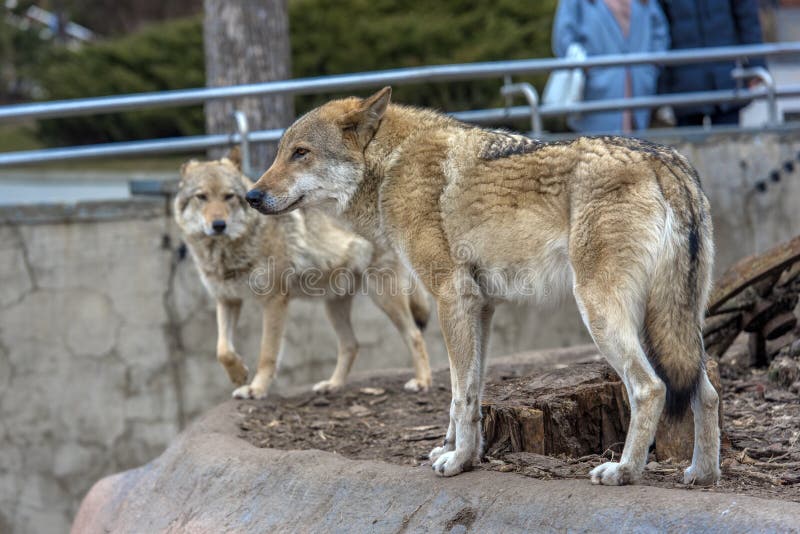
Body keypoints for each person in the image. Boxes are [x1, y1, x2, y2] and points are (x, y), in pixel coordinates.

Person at [552, 0, 670, 133]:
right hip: (595, 92)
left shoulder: (647, 3)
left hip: (637, 88)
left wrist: (650, 68)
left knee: (633, 147)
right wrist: (588, 69)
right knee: (596, 148)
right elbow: (564, 40)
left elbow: (660, 33)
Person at [657, 0, 766, 126]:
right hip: (691, 77)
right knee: (692, 139)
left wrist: (756, 64)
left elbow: (748, 19)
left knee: (723, 138)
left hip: (721, 76)